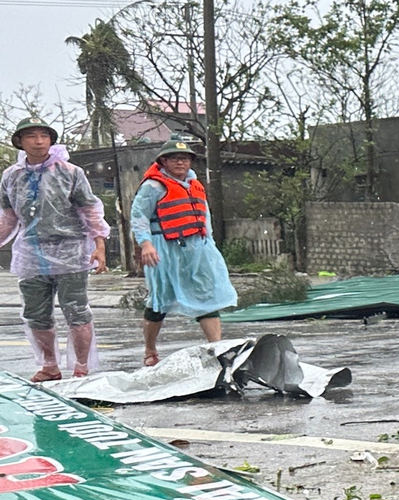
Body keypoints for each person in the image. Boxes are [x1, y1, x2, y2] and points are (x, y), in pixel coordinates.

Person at [0, 118, 109, 380]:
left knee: (76, 310)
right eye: (31, 136)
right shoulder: (11, 176)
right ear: (20, 142)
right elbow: (9, 216)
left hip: (69, 250)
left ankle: (81, 366)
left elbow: (89, 209)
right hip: (31, 253)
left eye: (43, 136)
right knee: (36, 314)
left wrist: (99, 244)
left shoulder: (70, 172)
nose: (38, 142)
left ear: (51, 140)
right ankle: (49, 364)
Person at [131, 140, 236, 367]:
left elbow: (204, 216)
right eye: (174, 158)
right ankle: (150, 349)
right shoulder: (153, 186)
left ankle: (217, 349)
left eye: (185, 158)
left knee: (206, 295)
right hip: (164, 248)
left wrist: (210, 244)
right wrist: (145, 245)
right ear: (164, 161)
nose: (180, 162)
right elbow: (138, 217)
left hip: (197, 248)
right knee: (160, 299)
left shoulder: (194, 184)